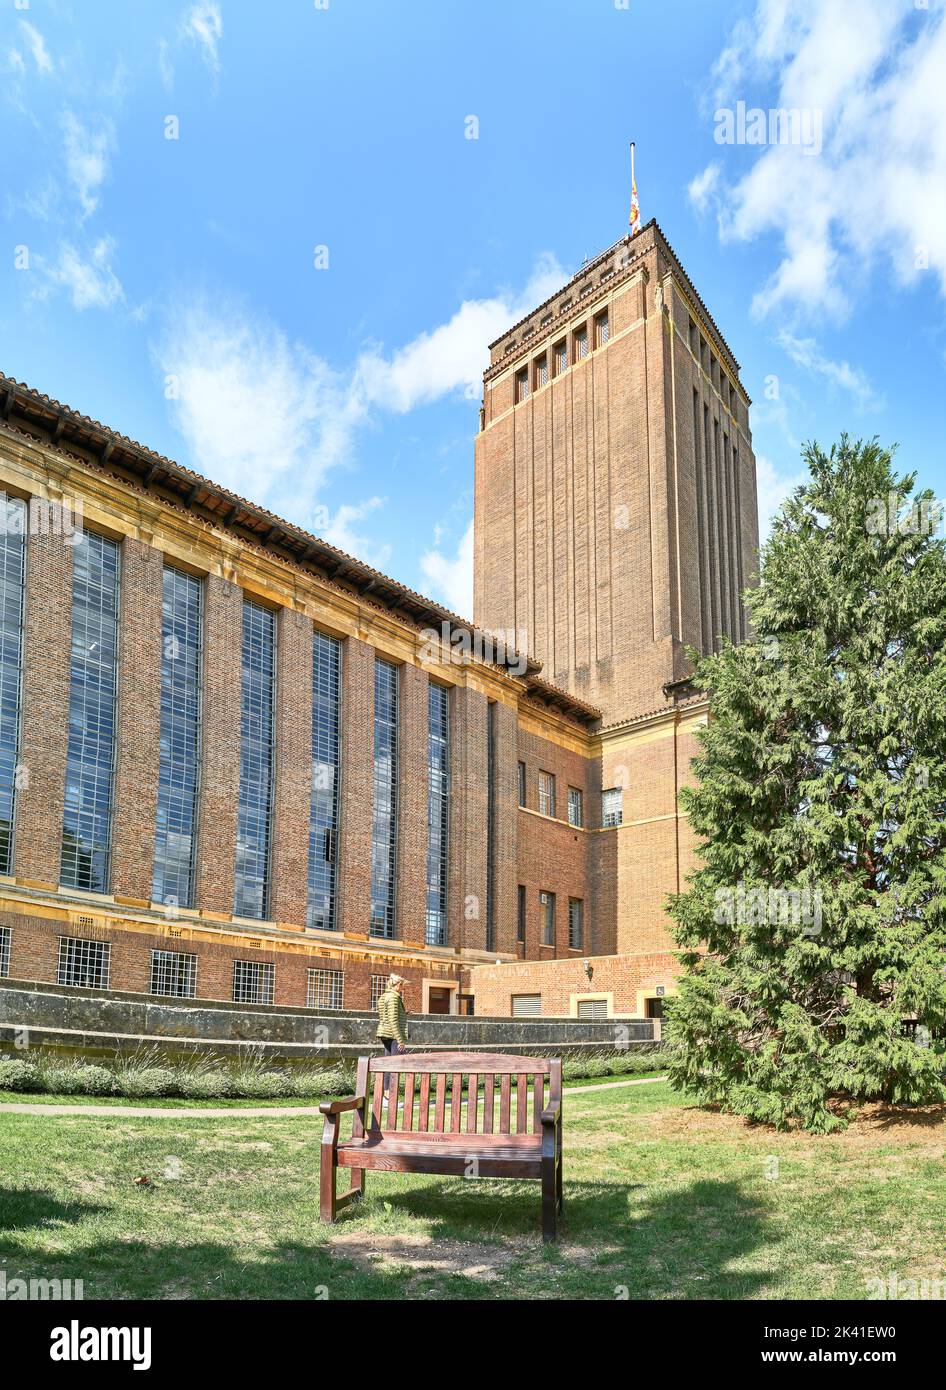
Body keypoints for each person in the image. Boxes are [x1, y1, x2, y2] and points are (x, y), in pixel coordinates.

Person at [376, 974, 407, 1055]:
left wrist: (404, 1013)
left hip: (386, 1033)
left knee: (389, 1062)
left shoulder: (384, 996)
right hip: (393, 1034)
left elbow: (387, 1014)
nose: (403, 989)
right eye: (402, 986)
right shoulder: (393, 997)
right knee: (398, 1062)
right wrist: (400, 1040)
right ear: (398, 984)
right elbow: (393, 1020)